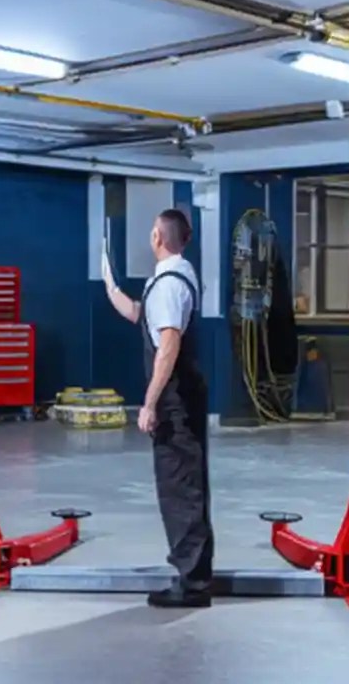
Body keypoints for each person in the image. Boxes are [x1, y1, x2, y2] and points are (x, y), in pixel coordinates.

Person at [102, 208, 214, 608]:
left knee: (181, 489)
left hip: (175, 402)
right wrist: (111, 288)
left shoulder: (168, 285)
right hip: (183, 398)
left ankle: (193, 584)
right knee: (183, 486)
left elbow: (168, 345)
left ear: (157, 237)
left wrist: (149, 403)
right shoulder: (176, 276)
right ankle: (193, 575)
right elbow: (141, 315)